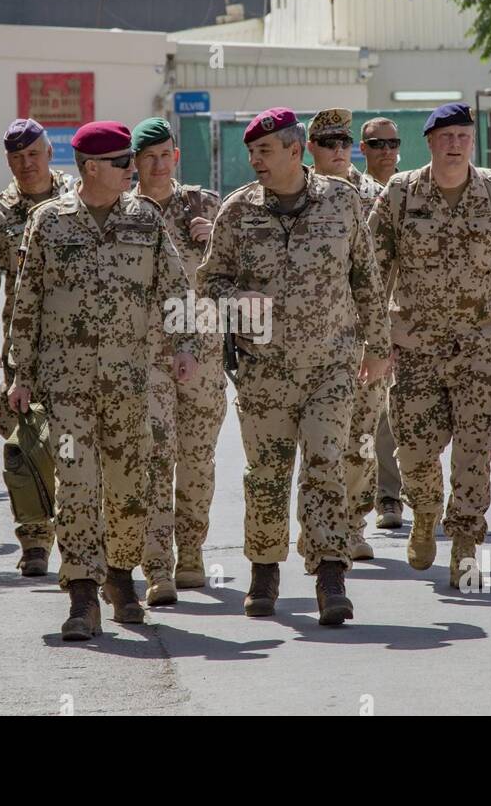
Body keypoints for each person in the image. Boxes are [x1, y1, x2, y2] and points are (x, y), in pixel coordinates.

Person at [196, 107, 390, 626]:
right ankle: (264, 569)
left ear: (294, 149)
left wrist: (377, 346)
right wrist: (242, 302)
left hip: (332, 364)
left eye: (265, 150)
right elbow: (209, 285)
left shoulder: (343, 201)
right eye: (251, 153)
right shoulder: (237, 212)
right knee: (267, 474)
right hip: (264, 372)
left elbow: (365, 277)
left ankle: (330, 575)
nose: (256, 160)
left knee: (326, 464)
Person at [7, 120, 197, 641]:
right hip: (65, 386)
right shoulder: (48, 223)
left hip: (129, 382)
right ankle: (82, 594)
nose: (130, 170)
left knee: (131, 488)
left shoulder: (147, 220)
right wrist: (20, 375)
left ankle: (120, 575)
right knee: (77, 486)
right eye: (121, 164)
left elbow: (176, 289)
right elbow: (27, 304)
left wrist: (185, 347)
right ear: (91, 168)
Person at [371, 103, 491, 590]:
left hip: (478, 349)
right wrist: (374, 341)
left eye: (463, 135)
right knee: (415, 451)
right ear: (429, 142)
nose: (454, 143)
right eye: (445, 135)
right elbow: (374, 271)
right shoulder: (400, 194)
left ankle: (465, 545)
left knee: (475, 449)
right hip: (415, 348)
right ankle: (425, 512)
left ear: (473, 141)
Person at [0, 118, 75, 577]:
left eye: (33, 154)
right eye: (17, 158)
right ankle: (34, 538)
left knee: (73, 444)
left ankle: (82, 535)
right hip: (24, 348)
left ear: (50, 154)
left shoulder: (79, 199)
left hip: (82, 345)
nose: (26, 164)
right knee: (21, 445)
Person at [131, 117, 227, 605]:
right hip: (148, 353)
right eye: (148, 157)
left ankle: (191, 551)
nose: (158, 164)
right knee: (153, 455)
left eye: (165, 154)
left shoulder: (206, 204)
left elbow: (247, 265)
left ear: (176, 156)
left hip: (205, 353)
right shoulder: (128, 212)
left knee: (198, 457)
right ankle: (157, 566)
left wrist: (216, 238)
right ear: (134, 162)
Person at [305, 108, 389, 563]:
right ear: (311, 147)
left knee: (359, 437)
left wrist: (383, 339)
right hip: (308, 343)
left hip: (362, 338)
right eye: (328, 142)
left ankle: (352, 524)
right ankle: (316, 525)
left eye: (344, 142)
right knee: (315, 443)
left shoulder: (376, 195)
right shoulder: (292, 193)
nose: (339, 150)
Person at [360, 116, 405, 530]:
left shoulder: (410, 193)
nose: (387, 151)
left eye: (393, 143)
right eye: (378, 144)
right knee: (365, 415)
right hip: (358, 322)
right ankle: (368, 497)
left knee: (394, 411)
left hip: (403, 318)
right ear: (364, 149)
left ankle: (390, 497)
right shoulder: (351, 194)